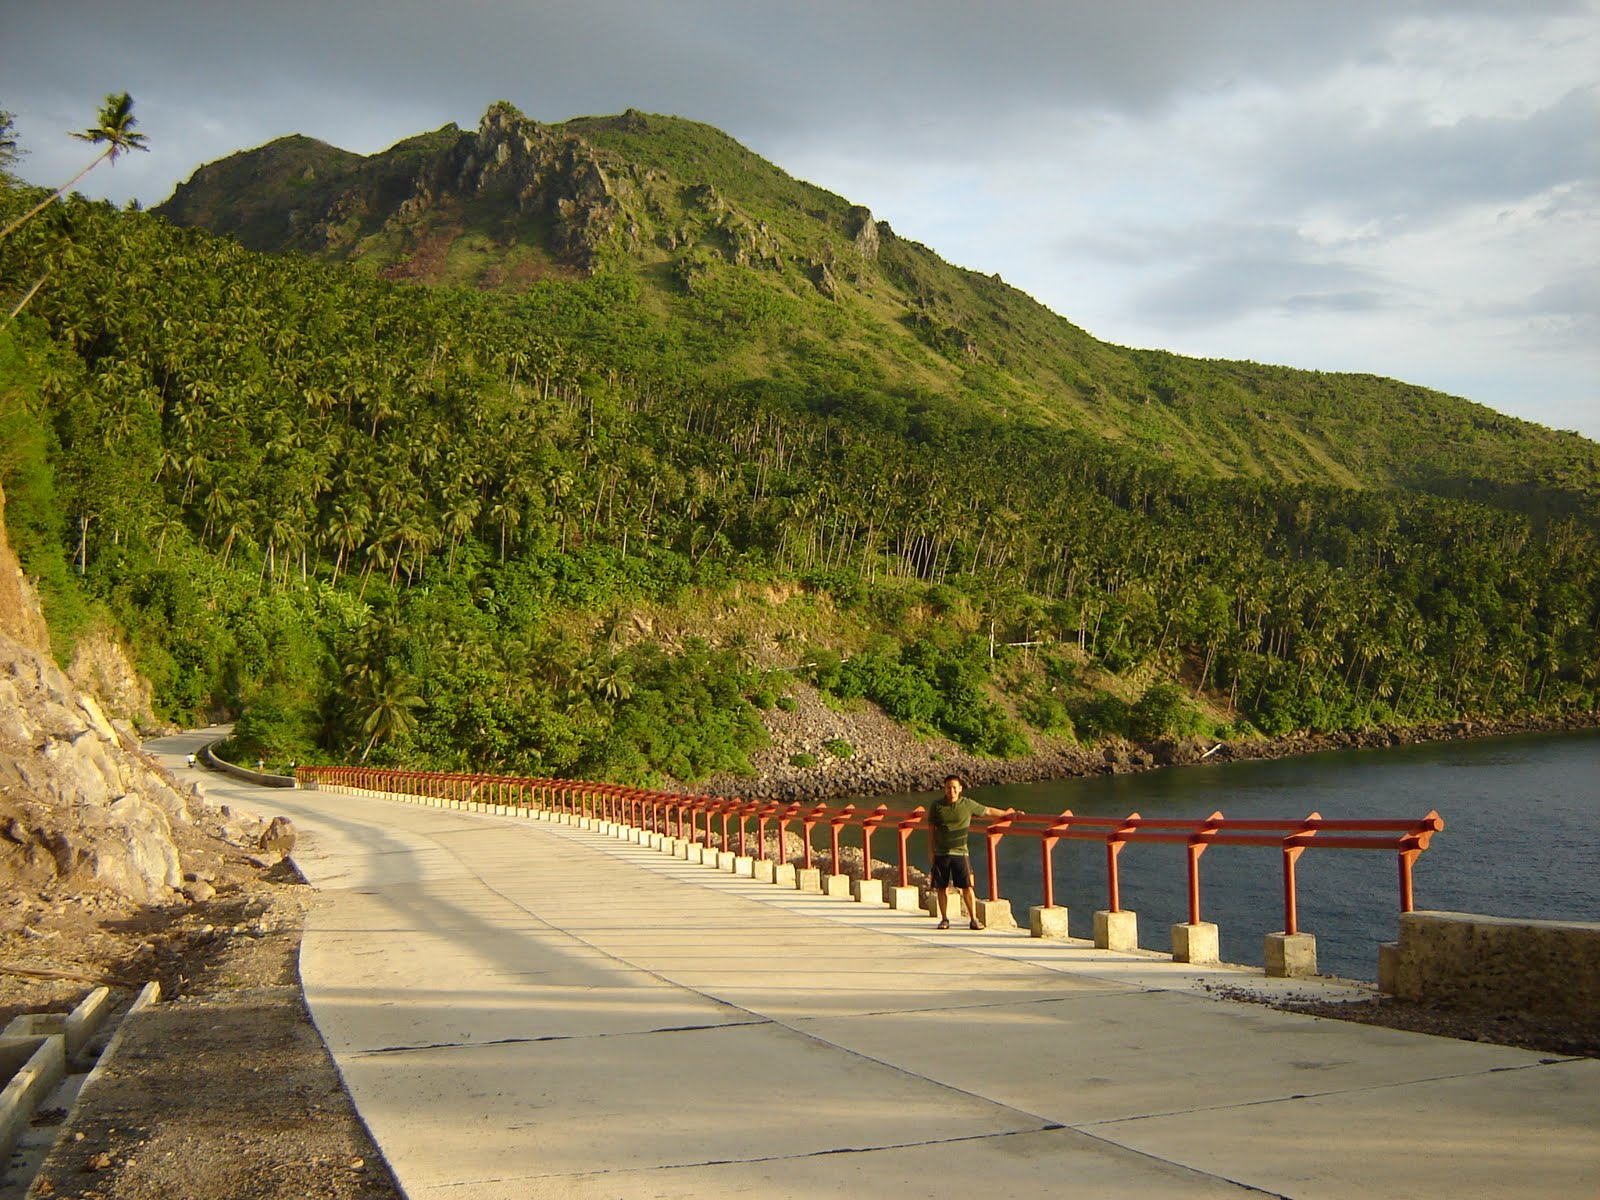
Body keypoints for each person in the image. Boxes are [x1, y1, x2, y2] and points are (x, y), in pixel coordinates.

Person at [927, 775, 1013, 930]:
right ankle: (944, 919)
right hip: (941, 852)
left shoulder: (967, 804)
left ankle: (973, 919)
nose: (951, 791)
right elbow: (931, 828)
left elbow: (988, 810)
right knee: (941, 887)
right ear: (944, 789)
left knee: (967, 886)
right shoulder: (936, 806)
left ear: (960, 789)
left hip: (960, 852)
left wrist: (1007, 814)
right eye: (948, 787)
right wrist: (931, 850)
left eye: (954, 787)